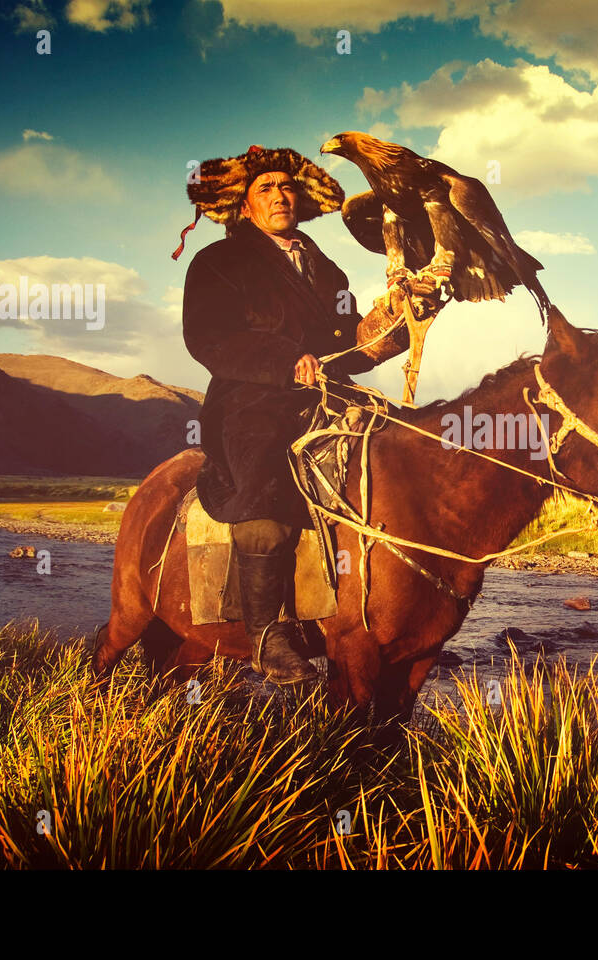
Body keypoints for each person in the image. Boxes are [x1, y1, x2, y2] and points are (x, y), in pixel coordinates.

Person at [174, 144, 442, 685]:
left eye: (287, 187)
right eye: (266, 189)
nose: (281, 196)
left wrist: (399, 318)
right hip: (251, 400)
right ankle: (266, 633)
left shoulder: (325, 267)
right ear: (243, 206)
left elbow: (350, 343)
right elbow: (206, 337)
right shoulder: (218, 263)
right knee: (266, 486)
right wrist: (282, 360)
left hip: (327, 395)